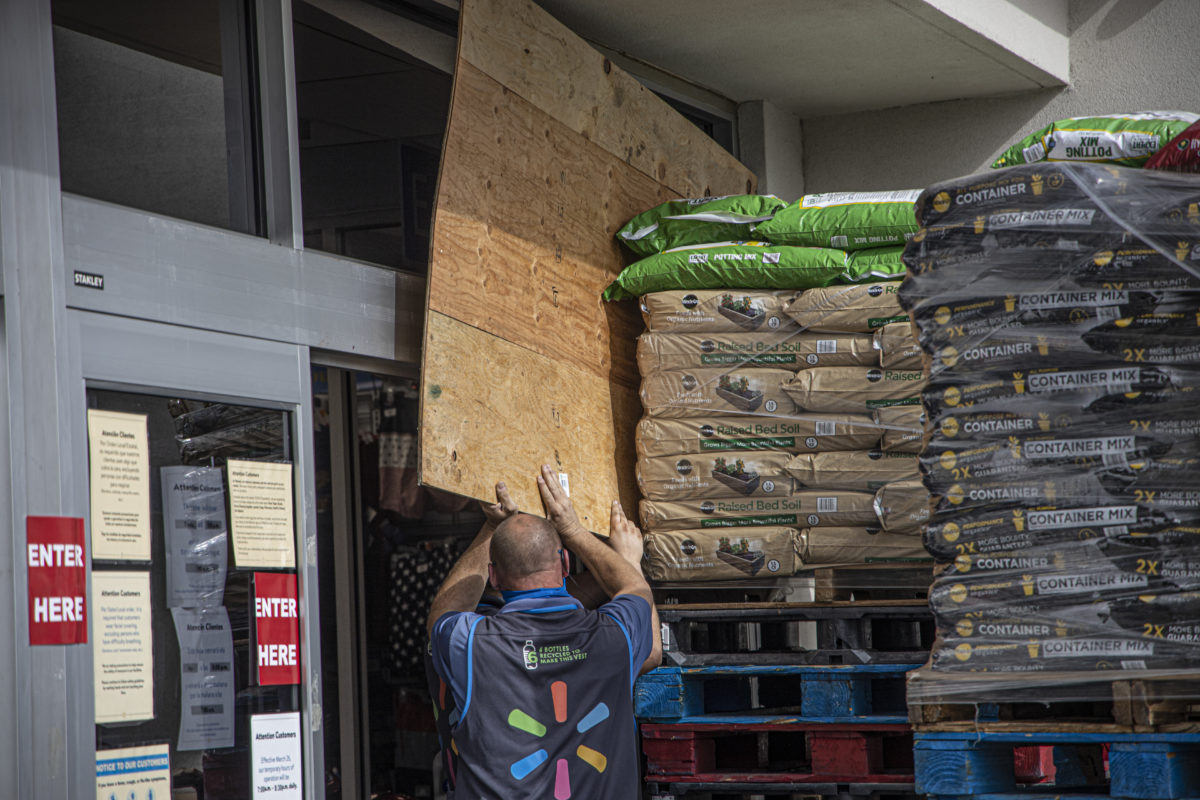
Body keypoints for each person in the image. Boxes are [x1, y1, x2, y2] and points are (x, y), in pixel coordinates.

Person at [427, 465, 660, 799]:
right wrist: (576, 531)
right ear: (565, 564)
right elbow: (636, 592)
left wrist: (491, 526)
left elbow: (442, 615)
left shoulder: (473, 645)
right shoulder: (612, 637)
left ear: (494, 577)